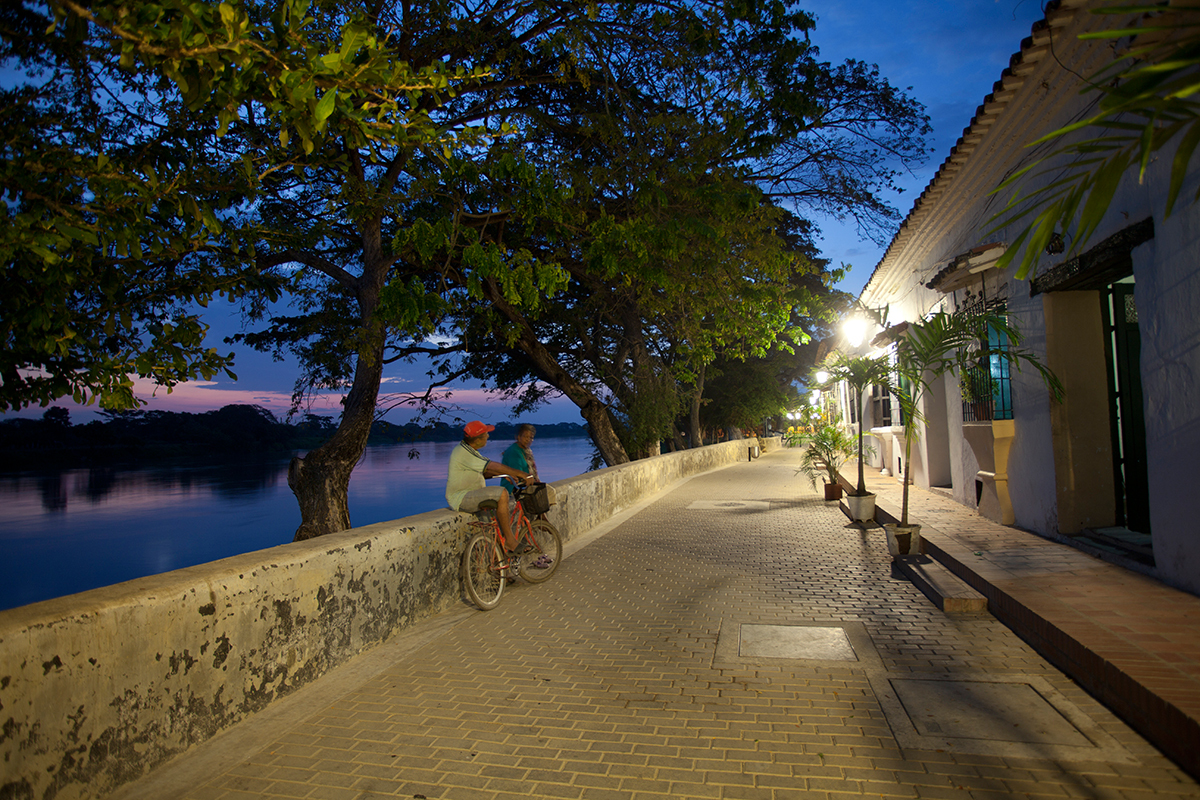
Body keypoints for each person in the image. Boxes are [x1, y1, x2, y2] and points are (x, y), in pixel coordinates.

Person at [446, 421, 532, 553]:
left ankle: (501, 561)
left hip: (472, 494)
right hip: (462, 497)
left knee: (496, 521)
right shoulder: (464, 453)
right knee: (502, 493)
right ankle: (510, 541)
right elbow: (492, 466)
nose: (488, 436)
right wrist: (521, 474)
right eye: (486, 434)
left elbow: (485, 472)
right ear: (478, 439)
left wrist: (505, 475)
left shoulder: (469, 450)